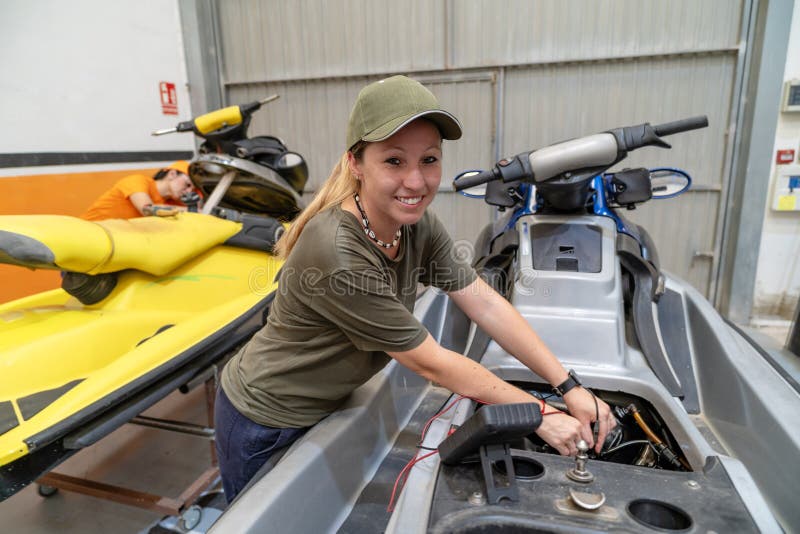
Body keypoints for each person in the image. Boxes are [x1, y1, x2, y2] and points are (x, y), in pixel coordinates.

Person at [215, 75, 616, 502]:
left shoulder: (415, 225)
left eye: (429, 159)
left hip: (326, 404)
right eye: (393, 161)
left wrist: (568, 386)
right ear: (355, 164)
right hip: (265, 419)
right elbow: (432, 363)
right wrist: (540, 414)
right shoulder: (337, 250)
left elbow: (483, 302)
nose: (416, 181)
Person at [80, 161, 196, 220]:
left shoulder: (173, 204)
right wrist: (192, 210)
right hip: (88, 235)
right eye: (187, 184)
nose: (189, 191)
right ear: (172, 174)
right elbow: (147, 210)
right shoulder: (137, 181)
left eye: (192, 189)